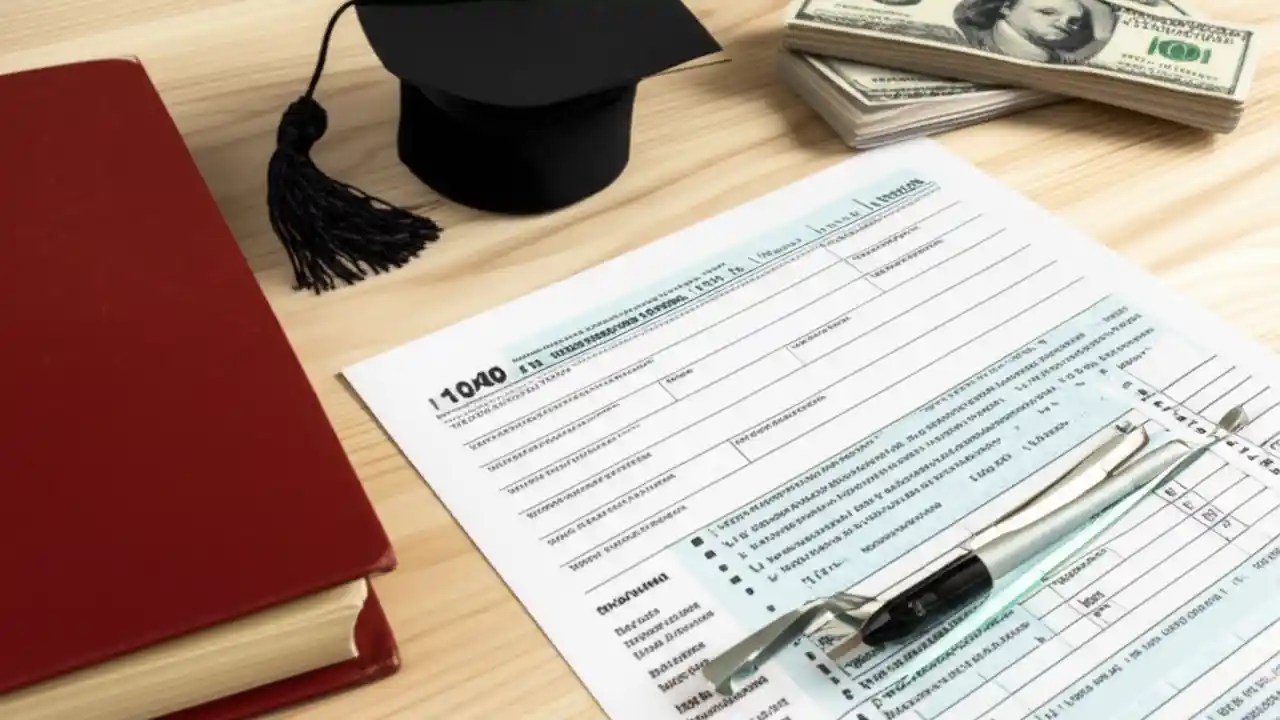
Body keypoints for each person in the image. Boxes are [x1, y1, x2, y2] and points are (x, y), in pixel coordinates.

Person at [953, 0, 1115, 63]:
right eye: (1047, 12)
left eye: (1074, 21)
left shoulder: (1062, 59)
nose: (1065, 23)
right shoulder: (957, 39)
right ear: (1007, 7)